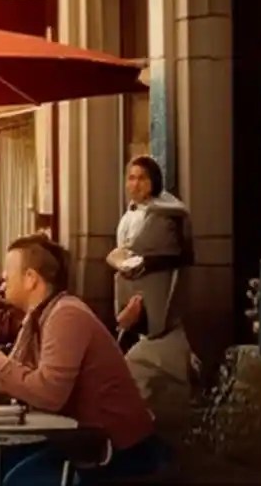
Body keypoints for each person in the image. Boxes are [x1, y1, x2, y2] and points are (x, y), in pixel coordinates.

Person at [0, 234, 164, 485]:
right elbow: (20, 383)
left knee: (17, 477)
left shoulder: (66, 315)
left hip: (115, 451)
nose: (2, 279)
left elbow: (48, 394)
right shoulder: (38, 318)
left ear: (30, 279)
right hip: (79, 441)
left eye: (8, 271)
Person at [108, 154, 196, 437]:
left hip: (158, 316)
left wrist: (139, 263)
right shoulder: (130, 216)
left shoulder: (168, 215)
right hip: (137, 316)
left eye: (141, 178)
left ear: (153, 181)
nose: (134, 184)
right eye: (130, 178)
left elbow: (175, 257)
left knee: (137, 377)